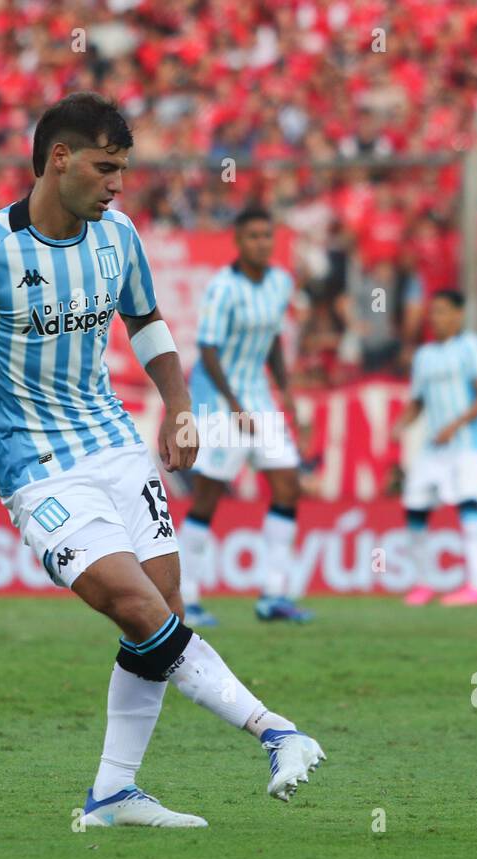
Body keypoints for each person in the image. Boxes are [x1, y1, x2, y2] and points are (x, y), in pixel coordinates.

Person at [0, 93, 324, 828]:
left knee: (161, 617)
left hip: (118, 449)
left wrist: (178, 404)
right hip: (41, 471)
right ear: (59, 159)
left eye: (122, 169)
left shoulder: (117, 235)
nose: (117, 183)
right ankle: (275, 729)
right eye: (105, 167)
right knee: (136, 607)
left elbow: (146, 320)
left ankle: (112, 794)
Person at [179, 206, 314, 627]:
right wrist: (234, 406)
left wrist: (287, 388)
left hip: (259, 396)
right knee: (209, 494)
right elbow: (208, 350)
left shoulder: (280, 282)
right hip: (218, 399)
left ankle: (274, 594)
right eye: (253, 236)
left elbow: (272, 337)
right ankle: (185, 596)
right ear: (238, 241)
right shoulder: (222, 288)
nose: (262, 243)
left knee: (288, 484)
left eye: (267, 236)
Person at [392, 290, 477, 607]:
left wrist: (455, 424)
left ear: (458, 314)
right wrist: (401, 425)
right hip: (433, 448)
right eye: (432, 311)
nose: (434, 318)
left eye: (441, 311)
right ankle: (423, 582)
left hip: (468, 446)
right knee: (414, 508)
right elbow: (418, 401)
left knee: (468, 506)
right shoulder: (424, 356)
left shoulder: (473, 349)